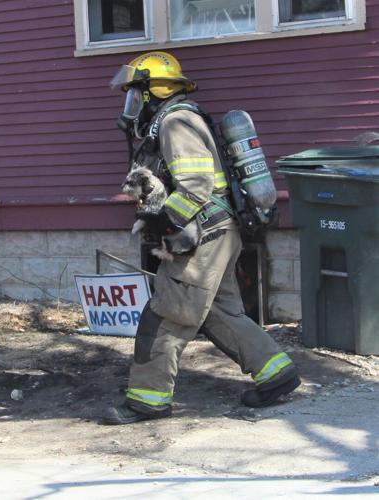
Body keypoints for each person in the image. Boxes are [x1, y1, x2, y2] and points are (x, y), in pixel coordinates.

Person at [102, 51, 300, 425]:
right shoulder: (174, 120)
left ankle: (148, 400)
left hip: (203, 237)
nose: (129, 104)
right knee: (219, 313)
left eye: (133, 94)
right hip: (217, 234)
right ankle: (277, 374)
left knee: (166, 315)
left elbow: (196, 184)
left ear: (151, 93)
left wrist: (165, 221)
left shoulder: (175, 123)